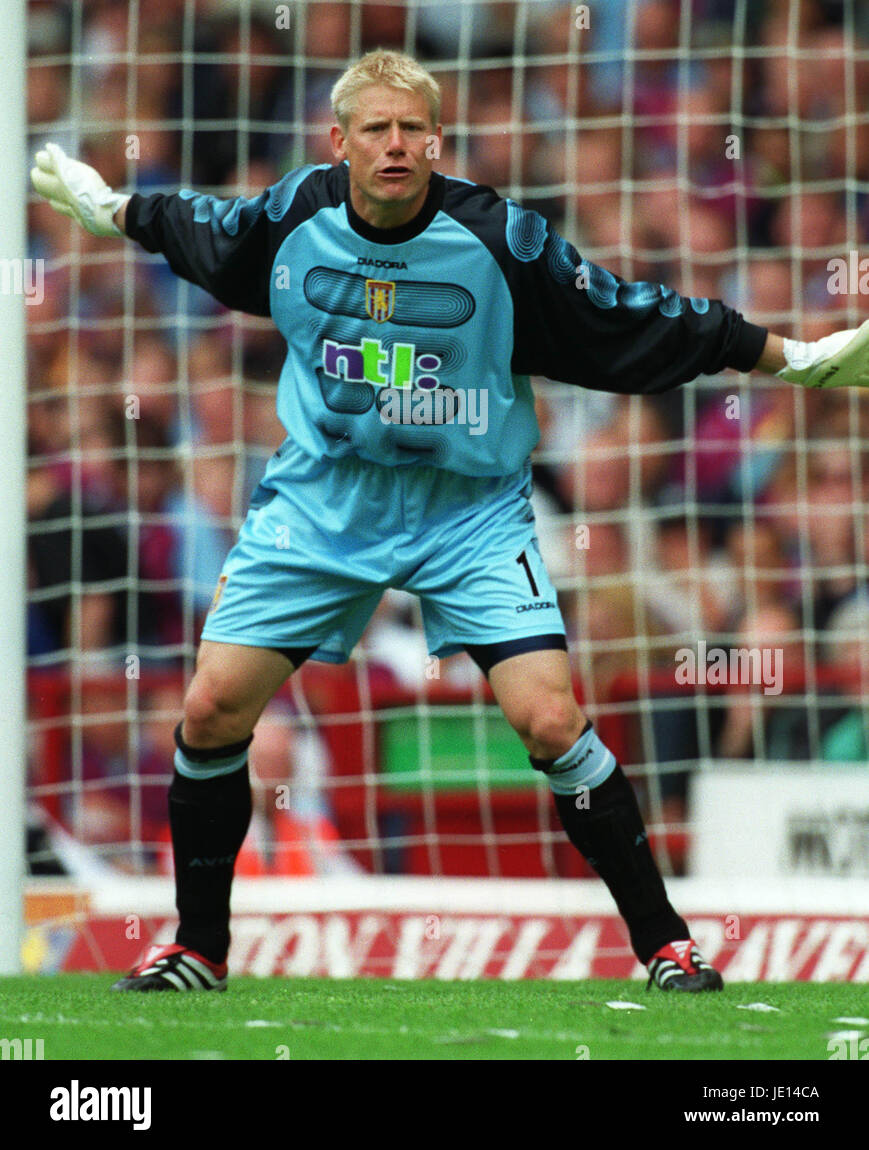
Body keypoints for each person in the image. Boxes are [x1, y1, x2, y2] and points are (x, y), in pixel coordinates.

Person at [32, 49, 869, 995]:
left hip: (468, 513)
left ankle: (666, 946)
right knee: (211, 709)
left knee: (549, 719)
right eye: (375, 129)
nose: (395, 145)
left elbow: (635, 315)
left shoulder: (500, 242)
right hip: (323, 501)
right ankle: (197, 949)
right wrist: (110, 208)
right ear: (339, 141)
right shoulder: (293, 217)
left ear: (436, 140)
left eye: (411, 129)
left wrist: (791, 357)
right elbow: (196, 227)